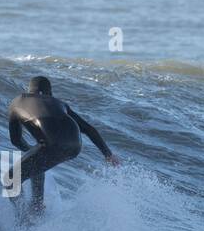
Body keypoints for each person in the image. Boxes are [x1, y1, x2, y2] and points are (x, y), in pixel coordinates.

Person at [8, 75, 120, 213]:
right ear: (49, 92)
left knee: (11, 179)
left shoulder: (17, 102)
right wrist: (108, 155)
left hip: (52, 144)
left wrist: (28, 149)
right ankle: (37, 208)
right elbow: (88, 129)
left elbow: (16, 140)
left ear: (29, 90)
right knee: (37, 161)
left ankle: (24, 217)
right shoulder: (59, 103)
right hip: (75, 144)